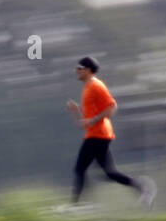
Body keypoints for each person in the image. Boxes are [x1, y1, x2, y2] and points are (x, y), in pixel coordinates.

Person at [66, 56, 156, 207]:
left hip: (98, 135)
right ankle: (143, 188)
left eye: (79, 68)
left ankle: (76, 206)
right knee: (109, 173)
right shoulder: (87, 87)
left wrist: (92, 121)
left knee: (80, 169)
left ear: (88, 70)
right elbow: (87, 120)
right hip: (97, 134)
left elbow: (112, 107)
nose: (76, 70)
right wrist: (77, 112)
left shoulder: (96, 86)